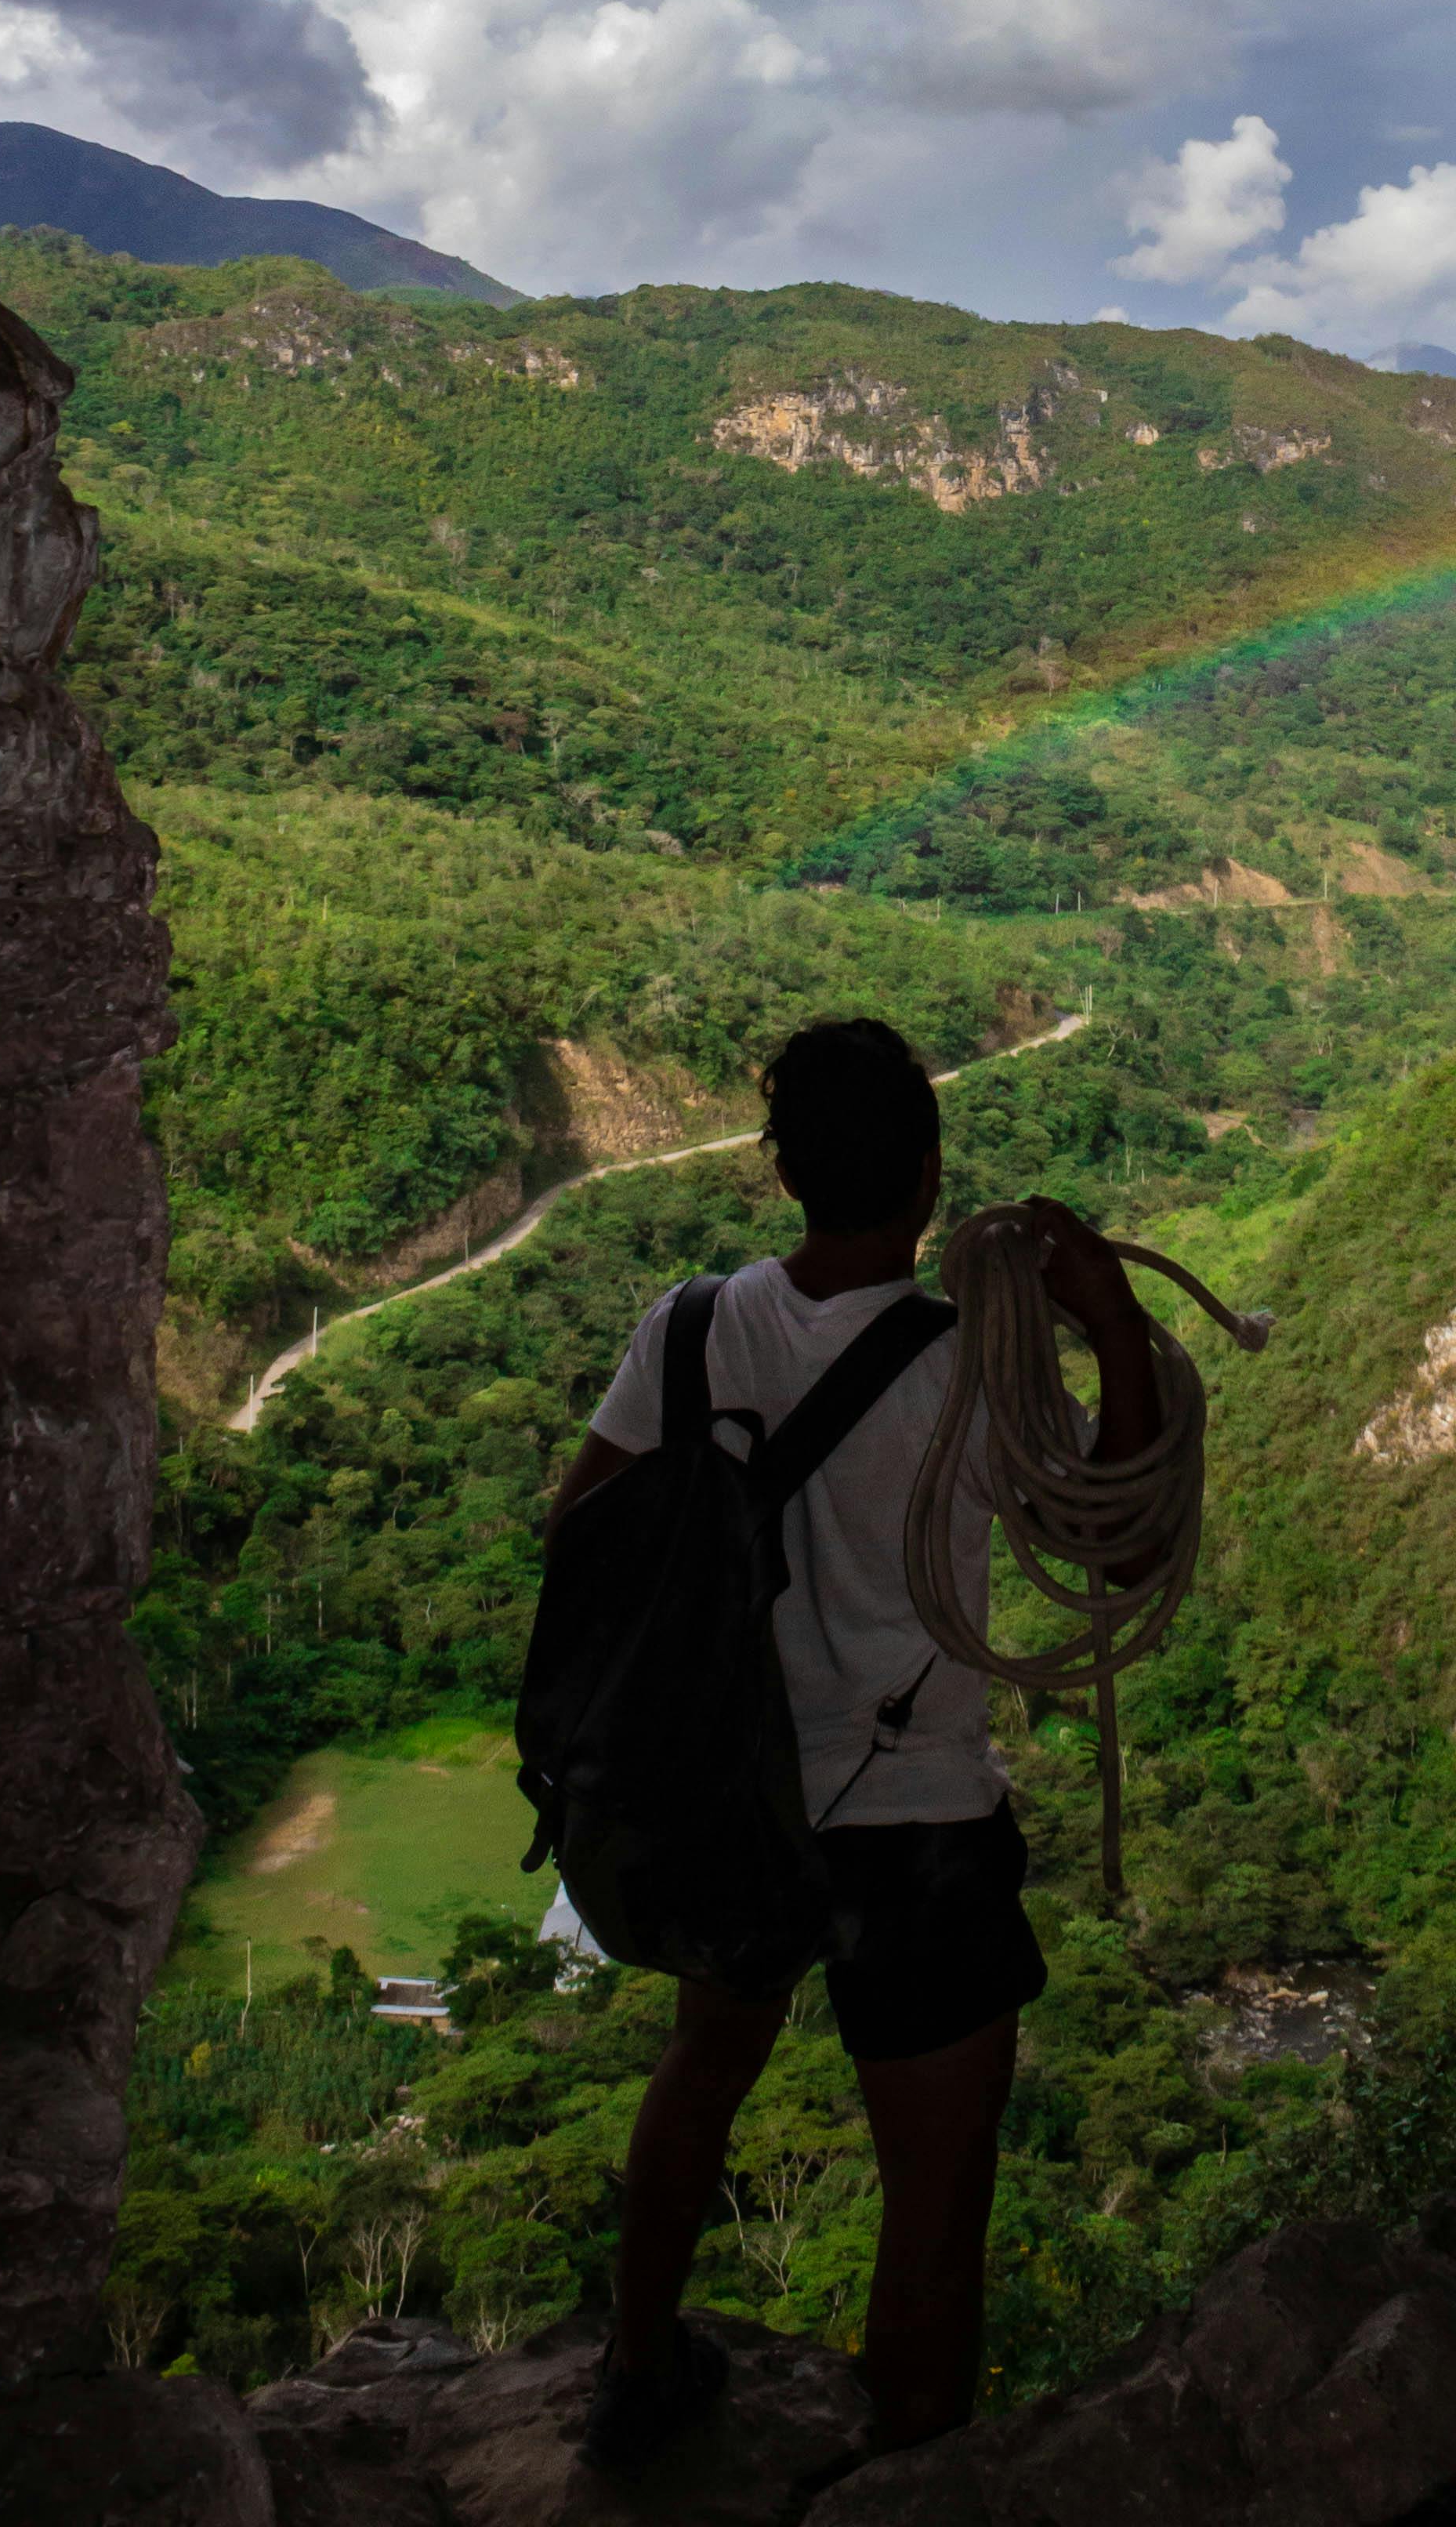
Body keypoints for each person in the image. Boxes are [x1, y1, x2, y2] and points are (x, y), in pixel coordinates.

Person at [544, 1016, 1160, 2466]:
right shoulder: (974, 1368)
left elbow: (580, 1534)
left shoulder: (690, 1329)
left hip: (735, 1801)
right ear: (932, 1179)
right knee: (936, 2195)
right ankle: (907, 2468)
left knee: (702, 2070)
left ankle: (638, 2368)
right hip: (921, 1817)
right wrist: (1111, 1320)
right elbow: (1118, 1544)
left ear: (782, 1173)